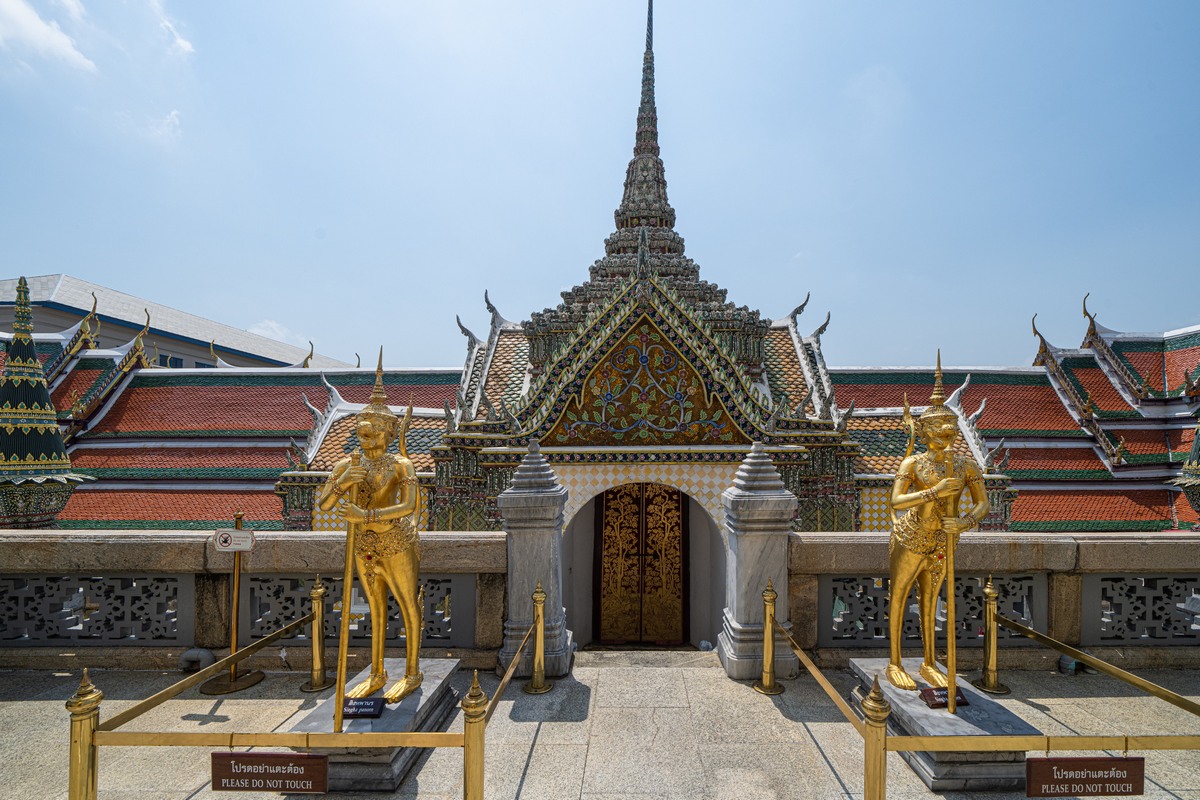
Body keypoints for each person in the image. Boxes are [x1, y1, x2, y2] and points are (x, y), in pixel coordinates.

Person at [318, 354, 423, 703]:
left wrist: (366, 517)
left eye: (375, 436)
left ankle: (412, 672)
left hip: (396, 541)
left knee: (408, 605)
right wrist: (343, 481)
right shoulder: (349, 463)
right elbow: (325, 505)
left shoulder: (401, 464)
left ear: (391, 433)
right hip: (364, 544)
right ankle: (377, 671)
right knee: (375, 608)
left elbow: (408, 507)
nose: (368, 442)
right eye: (363, 435)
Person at [886, 354, 989, 692]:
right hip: (911, 534)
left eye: (951, 433)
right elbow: (896, 502)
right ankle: (895, 662)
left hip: (945, 538)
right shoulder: (913, 464)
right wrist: (934, 492)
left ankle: (930, 661)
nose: (948, 438)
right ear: (926, 431)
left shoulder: (965, 465)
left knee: (932, 601)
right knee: (900, 596)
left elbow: (983, 503)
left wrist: (964, 524)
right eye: (942, 433)